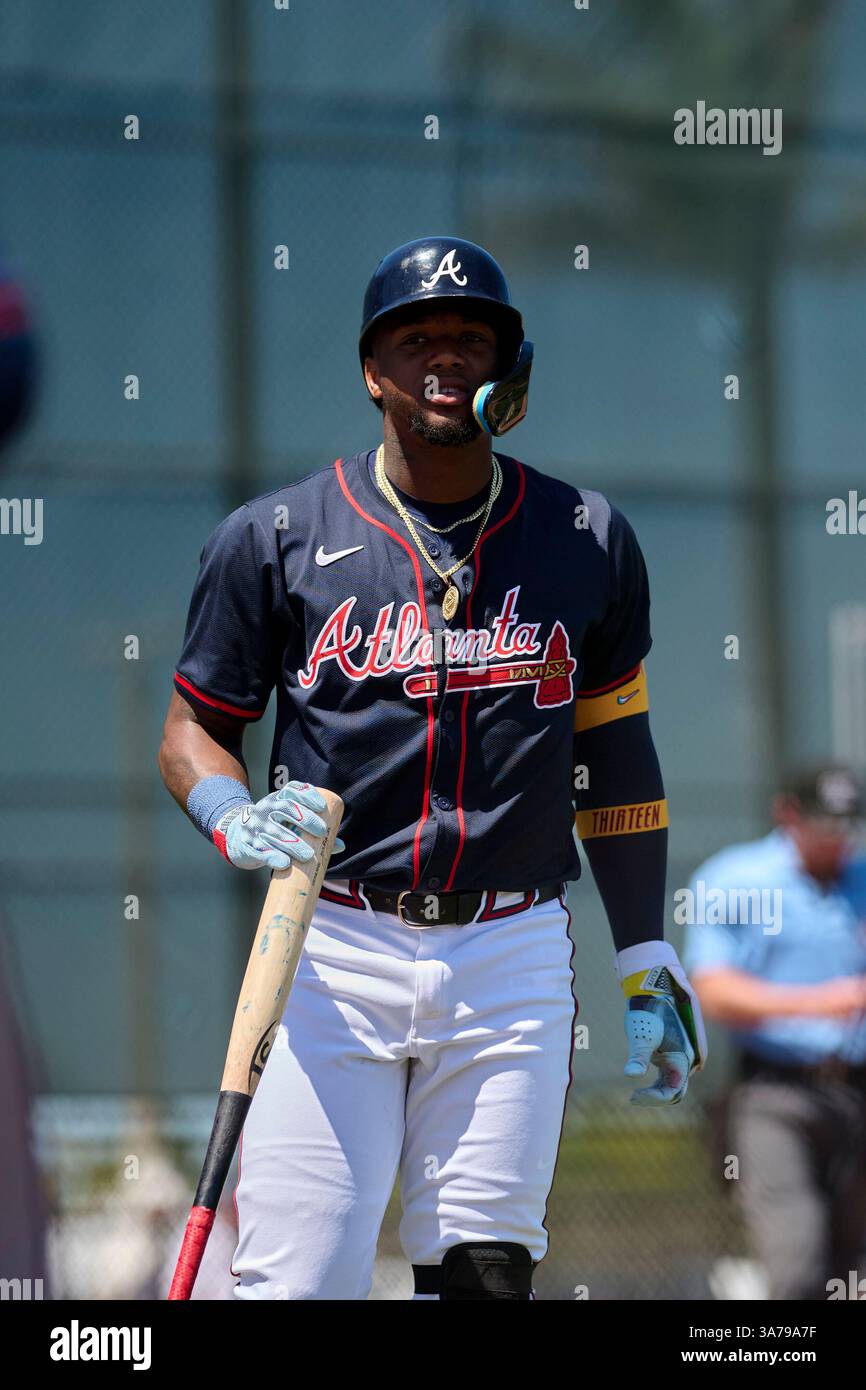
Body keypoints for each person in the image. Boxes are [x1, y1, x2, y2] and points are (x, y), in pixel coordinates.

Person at [158, 235, 706, 1300]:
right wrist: (226, 809)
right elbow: (191, 727)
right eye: (416, 339)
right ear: (373, 371)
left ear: (513, 363)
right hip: (329, 946)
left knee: (485, 1273)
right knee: (299, 1280)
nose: (444, 358)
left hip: (509, 949)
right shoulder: (272, 536)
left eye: (471, 337)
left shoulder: (585, 535)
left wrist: (642, 949)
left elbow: (617, 755)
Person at [683, 765, 866, 1300]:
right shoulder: (737, 878)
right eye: (823, 823)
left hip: (857, 1093)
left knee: (855, 1275)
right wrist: (821, 1003)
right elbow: (713, 990)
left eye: (847, 824)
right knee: (798, 1262)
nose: (838, 837)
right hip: (774, 1093)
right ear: (788, 814)